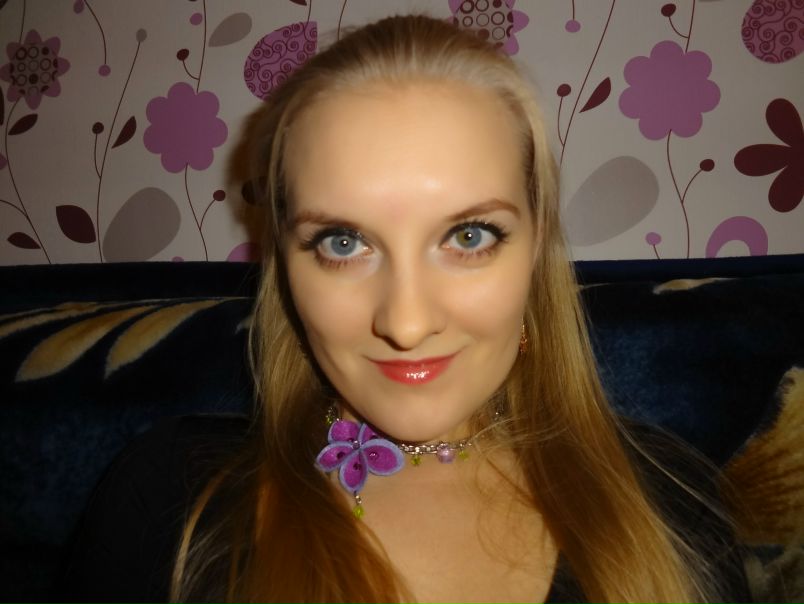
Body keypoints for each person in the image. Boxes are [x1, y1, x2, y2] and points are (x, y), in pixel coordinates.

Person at [61, 14, 749, 604]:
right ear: (284, 262)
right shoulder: (170, 503)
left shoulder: (668, 503)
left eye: (469, 237)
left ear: (537, 247)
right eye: (343, 242)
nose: (406, 323)